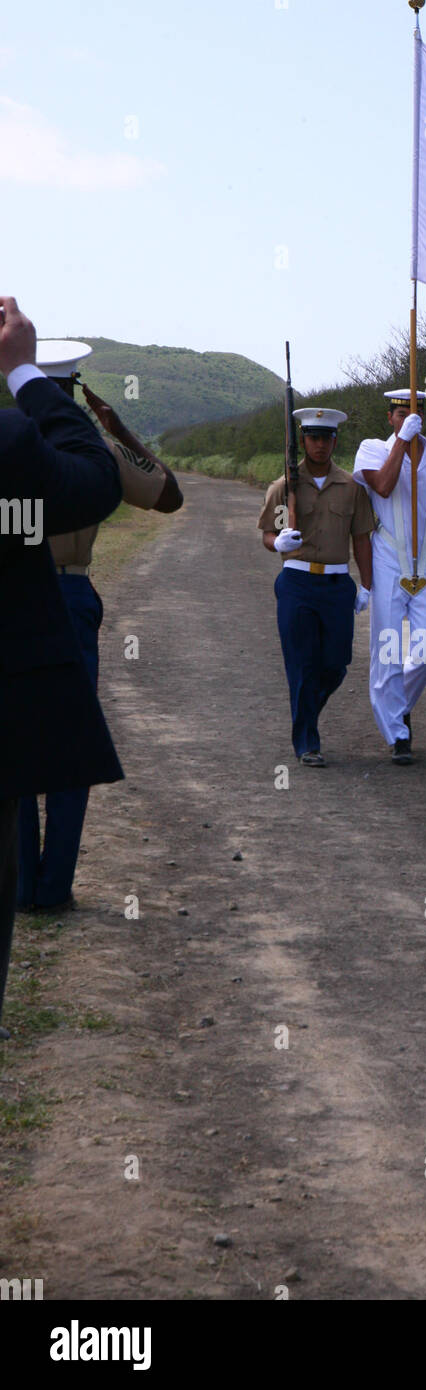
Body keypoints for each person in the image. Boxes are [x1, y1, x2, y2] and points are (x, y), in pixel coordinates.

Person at [16, 351, 184, 913]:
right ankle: (54, 886)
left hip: (14, 591)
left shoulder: (9, 444)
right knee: (70, 741)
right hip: (68, 591)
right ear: (72, 394)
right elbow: (169, 495)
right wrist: (119, 428)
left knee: (12, 739)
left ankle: (18, 885)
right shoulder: (97, 453)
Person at [0, 296, 123, 1039]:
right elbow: (97, 484)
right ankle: (33, 885)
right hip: (38, 611)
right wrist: (25, 380)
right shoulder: (23, 434)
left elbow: (155, 488)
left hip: (66, 601)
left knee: (53, 760)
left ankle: (52, 883)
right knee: (35, 759)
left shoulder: (38, 434)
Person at [258, 407, 374, 766]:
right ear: (303, 441)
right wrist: (277, 544)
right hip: (297, 581)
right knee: (302, 663)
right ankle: (308, 741)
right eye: (313, 438)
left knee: (337, 663)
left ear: (335, 440)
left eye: (326, 438)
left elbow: (362, 539)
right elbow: (267, 534)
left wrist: (366, 585)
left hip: (337, 583)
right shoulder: (284, 487)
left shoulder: (352, 487)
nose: (320, 445)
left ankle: (305, 713)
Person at [353, 389, 426, 764]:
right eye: (401, 413)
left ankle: (397, 705)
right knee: (388, 651)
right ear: (390, 417)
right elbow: (382, 484)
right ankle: (398, 734)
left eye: (416, 412)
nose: (410, 417)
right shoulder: (372, 449)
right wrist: (402, 441)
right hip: (388, 557)